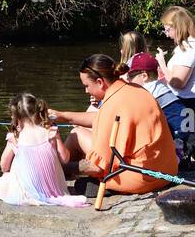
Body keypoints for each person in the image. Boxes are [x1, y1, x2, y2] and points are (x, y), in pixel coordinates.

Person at [52, 54, 177, 195]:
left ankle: (57, 173)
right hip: (167, 171)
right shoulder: (135, 89)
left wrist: (65, 166)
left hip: (143, 178)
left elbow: (95, 167)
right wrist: (62, 115)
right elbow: (99, 118)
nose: (86, 91)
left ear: (100, 82)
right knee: (78, 132)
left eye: (86, 86)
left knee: (76, 134)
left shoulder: (113, 104)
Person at [0, 93, 89, 208]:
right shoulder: (51, 132)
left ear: (16, 117)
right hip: (56, 190)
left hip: (25, 194)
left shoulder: (15, 137)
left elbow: (4, 166)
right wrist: (56, 136)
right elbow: (65, 159)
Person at [124, 51, 191, 157]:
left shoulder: (146, 92)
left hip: (176, 138)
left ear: (144, 76)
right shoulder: (160, 87)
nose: (128, 80)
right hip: (187, 131)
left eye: (130, 76)